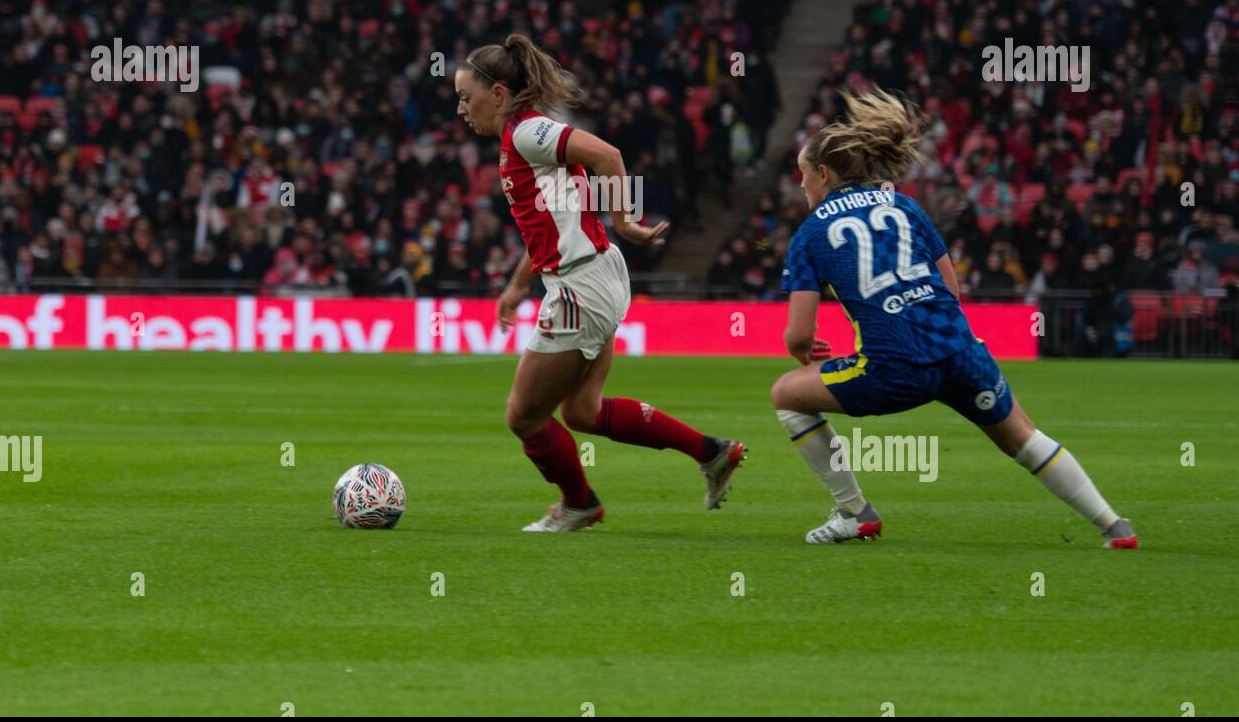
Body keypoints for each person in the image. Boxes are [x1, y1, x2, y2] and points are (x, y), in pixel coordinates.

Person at [770, 88, 1136, 548]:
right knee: (1021, 436)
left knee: (786, 394)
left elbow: (800, 332)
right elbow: (952, 290)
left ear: (822, 173)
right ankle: (1114, 526)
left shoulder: (811, 232)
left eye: (803, 175)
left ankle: (854, 512)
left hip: (894, 367)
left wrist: (803, 348)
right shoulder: (905, 206)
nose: (801, 185)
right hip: (958, 351)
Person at [455, 34, 745, 532]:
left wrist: (625, 219)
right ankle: (712, 452)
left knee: (524, 417)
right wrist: (520, 284)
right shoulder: (518, 142)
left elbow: (607, 154)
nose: (461, 108)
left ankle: (579, 503)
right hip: (596, 273)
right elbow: (552, 221)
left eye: (467, 97)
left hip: (580, 289)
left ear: (498, 94)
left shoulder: (528, 133)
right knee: (583, 412)